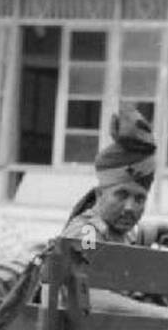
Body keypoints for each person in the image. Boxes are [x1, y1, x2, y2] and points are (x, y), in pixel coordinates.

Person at [61, 105, 156, 246]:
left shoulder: (124, 233)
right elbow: (88, 263)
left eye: (139, 199)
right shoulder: (87, 231)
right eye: (122, 195)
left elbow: (159, 229)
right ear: (100, 194)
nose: (130, 207)